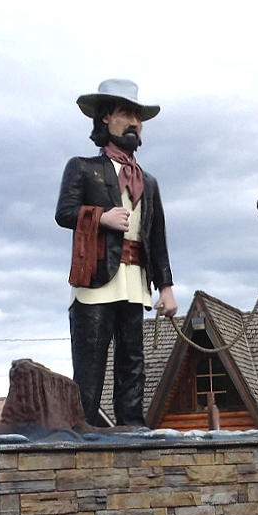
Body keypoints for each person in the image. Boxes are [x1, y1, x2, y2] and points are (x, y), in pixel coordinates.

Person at [55, 79, 177, 427]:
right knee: (90, 364)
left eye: (137, 116)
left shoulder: (148, 182)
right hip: (96, 281)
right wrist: (101, 217)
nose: (134, 123)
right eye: (126, 113)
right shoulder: (82, 168)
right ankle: (83, 429)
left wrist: (165, 287)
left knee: (132, 361)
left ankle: (132, 426)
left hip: (134, 282)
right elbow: (64, 212)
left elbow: (157, 238)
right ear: (106, 118)